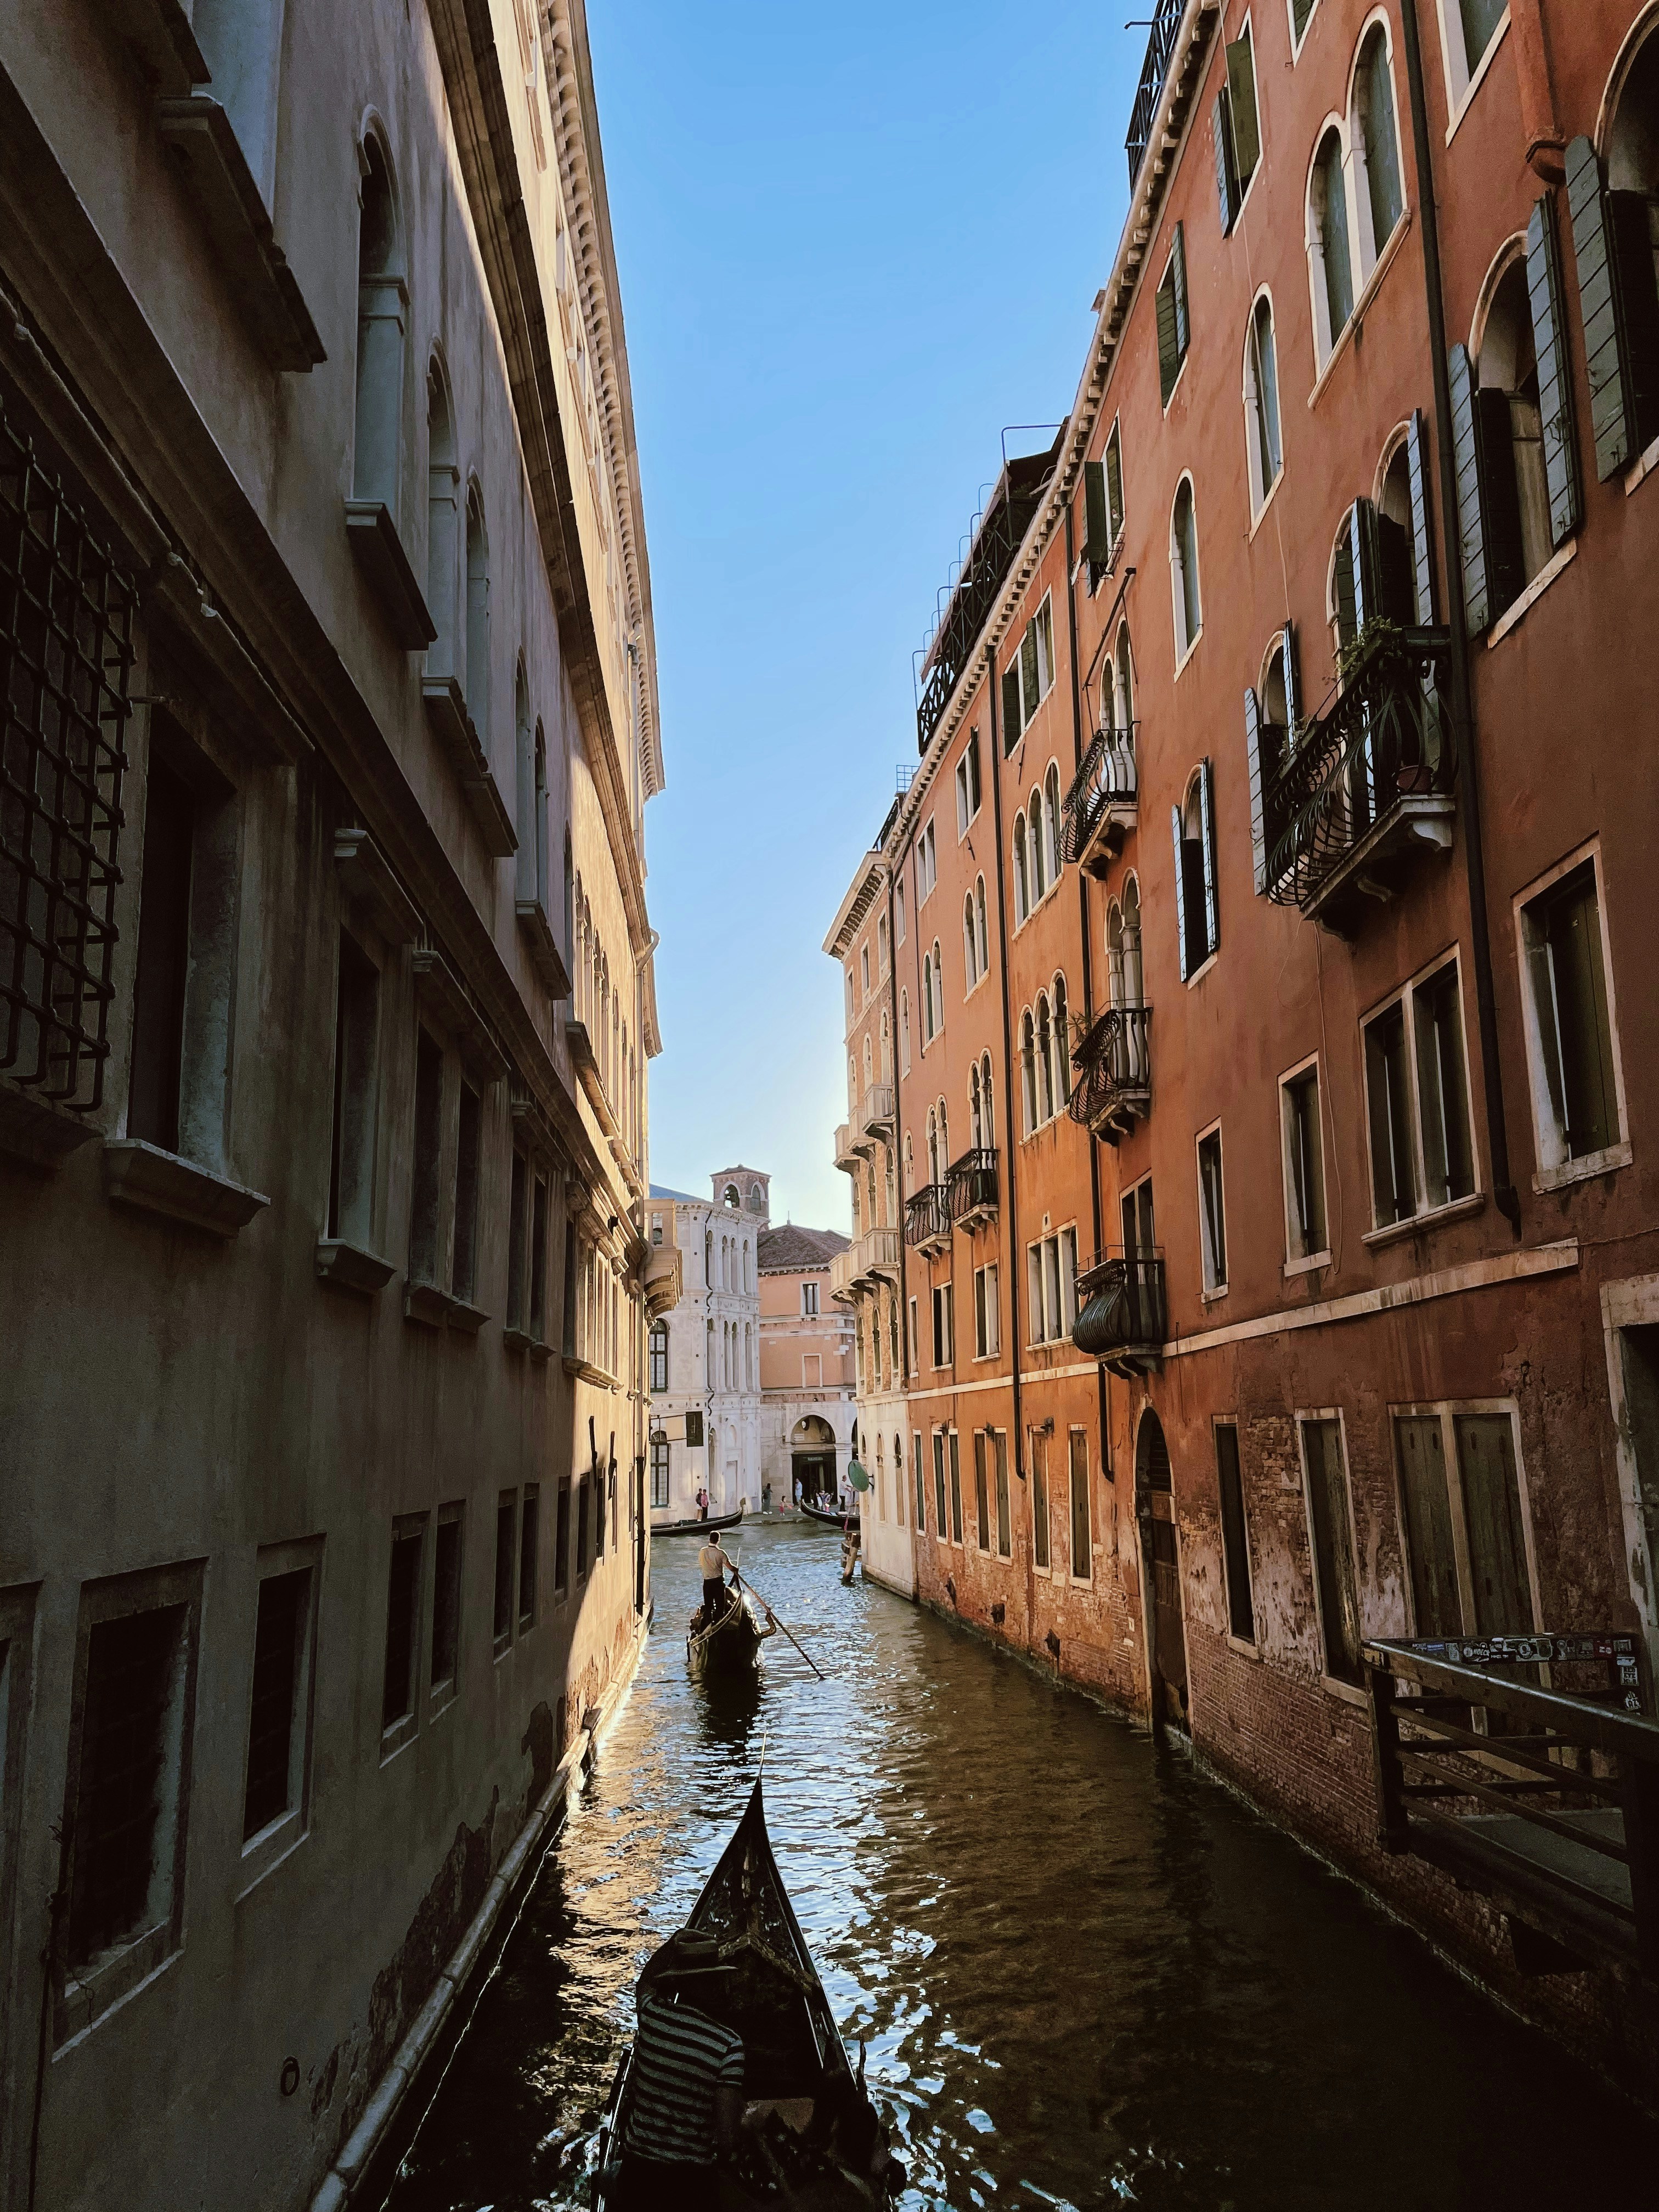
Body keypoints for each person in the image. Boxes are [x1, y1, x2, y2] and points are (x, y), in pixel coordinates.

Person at [610, 1928, 746, 2210]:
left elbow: (645, 1981)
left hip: (637, 2177)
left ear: (680, 1982)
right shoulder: (729, 2045)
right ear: (715, 1981)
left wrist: (675, 1943)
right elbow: (728, 2143)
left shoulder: (651, 2015)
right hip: (690, 2186)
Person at [698, 1530, 733, 1621]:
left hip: (707, 1583)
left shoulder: (702, 1551)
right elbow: (731, 1567)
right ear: (718, 1540)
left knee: (708, 1606)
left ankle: (708, 1623)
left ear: (709, 1539)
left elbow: (701, 1564)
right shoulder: (721, 1553)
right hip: (718, 1583)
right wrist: (736, 1569)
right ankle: (718, 1622)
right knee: (720, 1606)